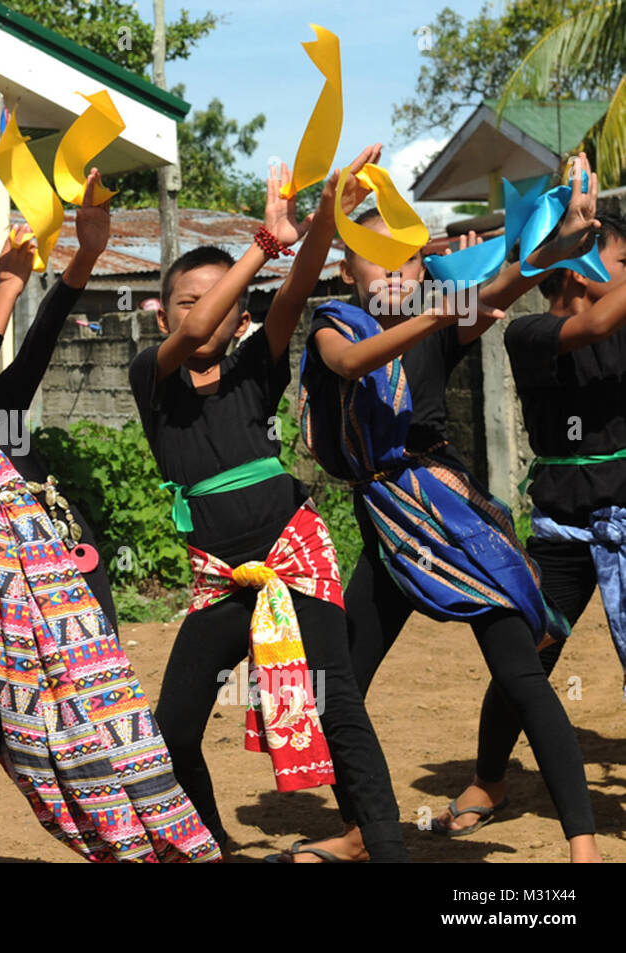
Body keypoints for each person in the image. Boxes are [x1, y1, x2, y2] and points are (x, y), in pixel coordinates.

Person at [0, 171, 220, 863]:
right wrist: (7, 285)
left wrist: (84, 257)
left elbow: (33, 348)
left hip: (70, 580)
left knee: (111, 726)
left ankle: (166, 847)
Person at [295, 154, 603, 862]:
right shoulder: (332, 324)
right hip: (387, 533)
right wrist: (441, 309)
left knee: (523, 677)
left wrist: (563, 239)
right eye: (379, 260)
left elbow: (503, 284)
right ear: (348, 272)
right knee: (336, 686)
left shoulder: (439, 318)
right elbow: (350, 365)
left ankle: (583, 847)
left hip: (453, 524)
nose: (398, 272)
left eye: (409, 260)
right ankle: (356, 831)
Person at [128, 147, 407, 862]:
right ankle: (212, 845)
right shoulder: (151, 373)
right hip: (219, 575)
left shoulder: (256, 362)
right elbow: (193, 333)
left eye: (219, 301)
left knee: (334, 697)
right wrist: (261, 245)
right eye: (188, 299)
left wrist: (321, 220)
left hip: (291, 550)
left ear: (242, 314)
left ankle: (383, 843)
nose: (203, 314)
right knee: (175, 727)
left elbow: (294, 289)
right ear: (165, 313)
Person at [434, 211, 626, 835]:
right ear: (579, 268)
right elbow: (594, 321)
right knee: (527, 656)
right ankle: (490, 778)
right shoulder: (529, 333)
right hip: (563, 529)